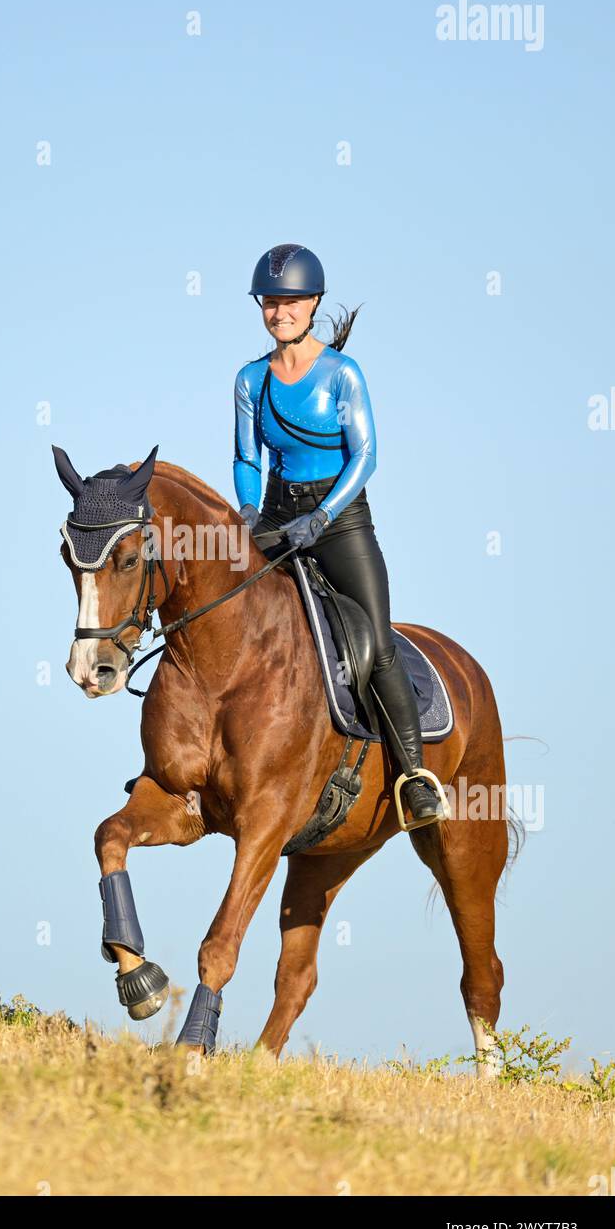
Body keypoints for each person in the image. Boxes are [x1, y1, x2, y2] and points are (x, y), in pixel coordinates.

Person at [233, 243, 448, 826]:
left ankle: (412, 777)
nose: (281, 313)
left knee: (375, 643)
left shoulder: (342, 374)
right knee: (228, 616)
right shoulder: (251, 380)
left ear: (314, 304)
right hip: (276, 517)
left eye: (292, 302)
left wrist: (323, 516)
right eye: (271, 303)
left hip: (340, 520)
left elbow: (367, 454)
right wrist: (251, 514)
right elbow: (246, 458)